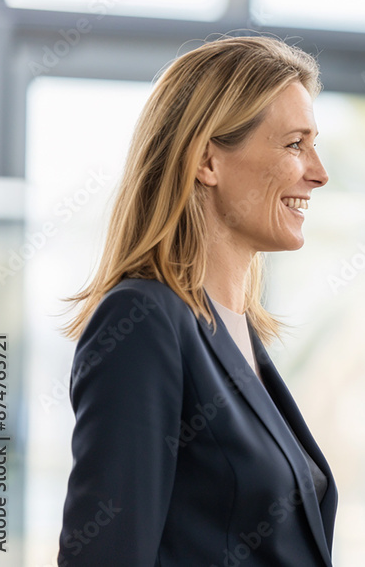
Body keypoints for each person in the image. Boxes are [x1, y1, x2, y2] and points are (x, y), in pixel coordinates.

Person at [58, 35, 337, 566]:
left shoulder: (233, 333)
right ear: (208, 161)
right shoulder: (142, 321)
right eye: (295, 144)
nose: (319, 172)